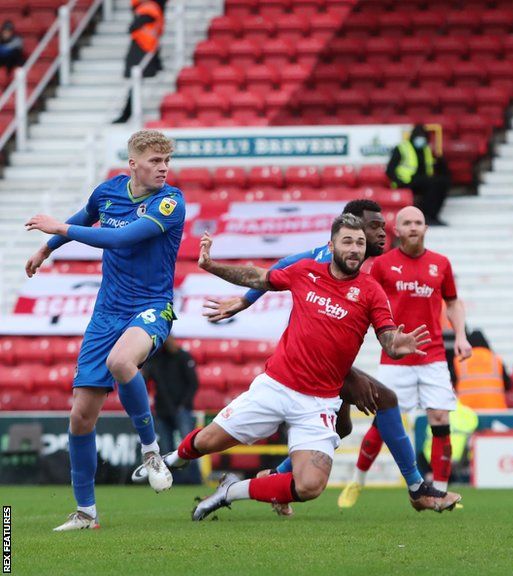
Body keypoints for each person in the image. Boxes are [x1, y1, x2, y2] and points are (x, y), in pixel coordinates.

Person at [156, 216, 460, 521]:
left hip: (318, 403)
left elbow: (388, 337)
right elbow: (259, 277)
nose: (355, 249)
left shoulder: (371, 291)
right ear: (331, 245)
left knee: (311, 485)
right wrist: (212, 266)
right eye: (347, 242)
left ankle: (230, 491)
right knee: (208, 441)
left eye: (360, 243)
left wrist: (397, 343)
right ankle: (170, 459)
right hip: (275, 386)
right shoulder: (305, 271)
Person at [196, 199, 398, 516]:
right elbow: (268, 275)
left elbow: (387, 335)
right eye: (372, 227)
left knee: (344, 429)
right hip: (298, 370)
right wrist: (243, 300)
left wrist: (397, 342)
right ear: (335, 240)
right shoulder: (312, 263)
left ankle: (259, 483)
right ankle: (416, 485)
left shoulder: (370, 283)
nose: (379, 235)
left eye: (368, 236)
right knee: (361, 414)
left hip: (329, 374)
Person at [24, 130, 181, 531]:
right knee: (80, 417)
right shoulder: (108, 192)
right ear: (133, 164)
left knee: (121, 360)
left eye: (167, 161)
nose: (163, 168)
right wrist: (46, 249)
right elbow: (84, 218)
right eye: (155, 161)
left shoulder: (170, 202)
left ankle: (150, 451)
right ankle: (86, 513)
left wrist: (59, 229)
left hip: (151, 307)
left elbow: (120, 237)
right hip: (106, 313)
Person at [338, 206, 472, 509]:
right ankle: (357, 481)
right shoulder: (383, 265)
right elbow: (366, 301)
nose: (413, 227)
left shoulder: (441, 264)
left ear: (426, 228)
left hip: (433, 354)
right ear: (396, 230)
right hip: (395, 358)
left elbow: (453, 303)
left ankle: (439, 491)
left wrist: (461, 336)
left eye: (418, 222)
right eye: (407, 223)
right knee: (384, 424)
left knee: (440, 418)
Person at [142, 334, 199, 483]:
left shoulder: (183, 357)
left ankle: (194, 479)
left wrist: (184, 405)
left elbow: (193, 383)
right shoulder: (156, 359)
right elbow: (144, 378)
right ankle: (173, 479)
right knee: (167, 447)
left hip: (182, 410)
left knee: (189, 446)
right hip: (162, 410)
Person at [113, 0, 165, 124]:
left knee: (134, 84)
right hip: (146, 49)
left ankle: (128, 114)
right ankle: (128, 113)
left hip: (142, 49)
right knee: (134, 85)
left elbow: (134, 26)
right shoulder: (153, 8)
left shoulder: (148, 7)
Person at [386, 125, 448, 226]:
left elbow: (430, 167)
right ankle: (427, 216)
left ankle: (433, 216)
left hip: (422, 181)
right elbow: (390, 170)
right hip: (405, 181)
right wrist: (398, 181)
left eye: (423, 136)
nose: (420, 139)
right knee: (432, 184)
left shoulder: (426, 149)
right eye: (418, 136)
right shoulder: (402, 148)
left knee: (442, 182)